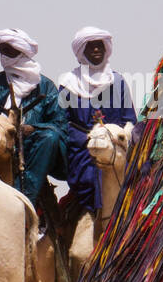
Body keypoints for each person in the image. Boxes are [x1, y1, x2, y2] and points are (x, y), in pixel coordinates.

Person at [0, 29, 66, 207]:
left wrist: (33, 129)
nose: (4, 56)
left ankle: (24, 202)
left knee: (50, 138)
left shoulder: (45, 86)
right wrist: (2, 126)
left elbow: (59, 125)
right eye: (2, 51)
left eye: (9, 51)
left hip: (33, 148)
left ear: (22, 52)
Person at [57, 27, 137, 215]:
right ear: (81, 51)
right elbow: (62, 122)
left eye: (99, 46)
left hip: (116, 145)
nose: (96, 50)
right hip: (82, 147)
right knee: (88, 177)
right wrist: (87, 139)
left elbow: (129, 119)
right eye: (90, 47)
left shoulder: (117, 81)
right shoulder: (68, 83)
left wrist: (116, 136)